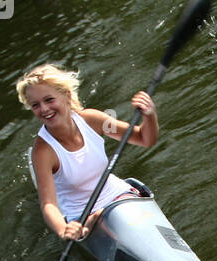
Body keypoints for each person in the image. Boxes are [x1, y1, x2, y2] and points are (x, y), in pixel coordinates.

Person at [14, 64, 158, 241]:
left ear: (66, 95)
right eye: (35, 105)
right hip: (82, 219)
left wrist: (149, 115)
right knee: (101, 219)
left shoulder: (93, 120)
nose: (43, 109)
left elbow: (145, 139)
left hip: (121, 197)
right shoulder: (43, 152)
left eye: (49, 100)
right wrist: (63, 230)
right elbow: (49, 204)